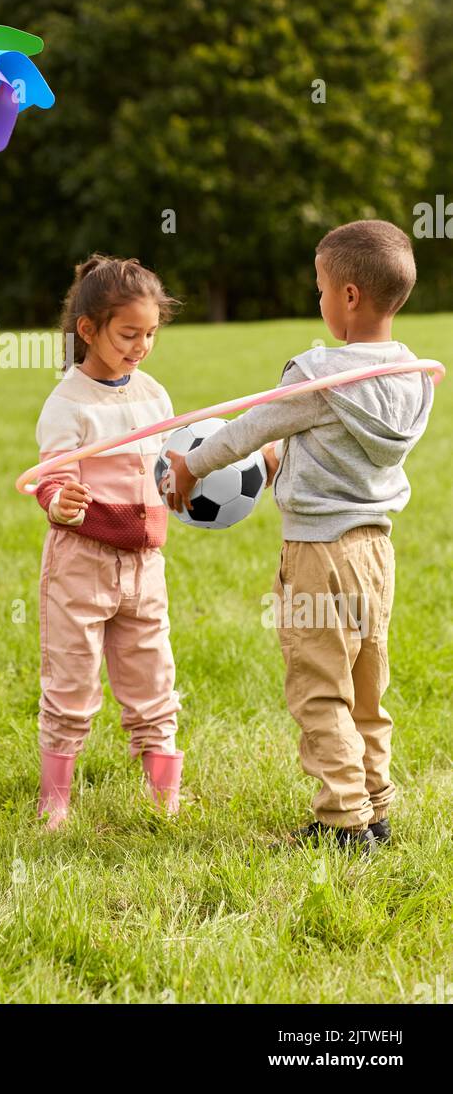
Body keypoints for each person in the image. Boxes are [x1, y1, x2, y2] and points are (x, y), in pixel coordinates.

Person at [167, 221, 434, 855]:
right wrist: (288, 466)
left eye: (319, 289)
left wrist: (191, 466)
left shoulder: (321, 376)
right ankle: (375, 803)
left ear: (347, 296)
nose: (317, 301)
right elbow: (339, 451)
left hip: (319, 555)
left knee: (319, 689)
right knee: (368, 686)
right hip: (376, 552)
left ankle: (344, 823)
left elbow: (249, 427)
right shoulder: (412, 377)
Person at [33, 253, 183, 828]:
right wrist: (58, 500)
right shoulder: (68, 403)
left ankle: (164, 801)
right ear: (88, 330)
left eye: (150, 334)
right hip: (82, 563)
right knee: (70, 683)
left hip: (144, 566)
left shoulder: (155, 394)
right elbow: (51, 476)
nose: (141, 345)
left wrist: (184, 482)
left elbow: (165, 466)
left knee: (154, 681)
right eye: (128, 334)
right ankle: (56, 804)